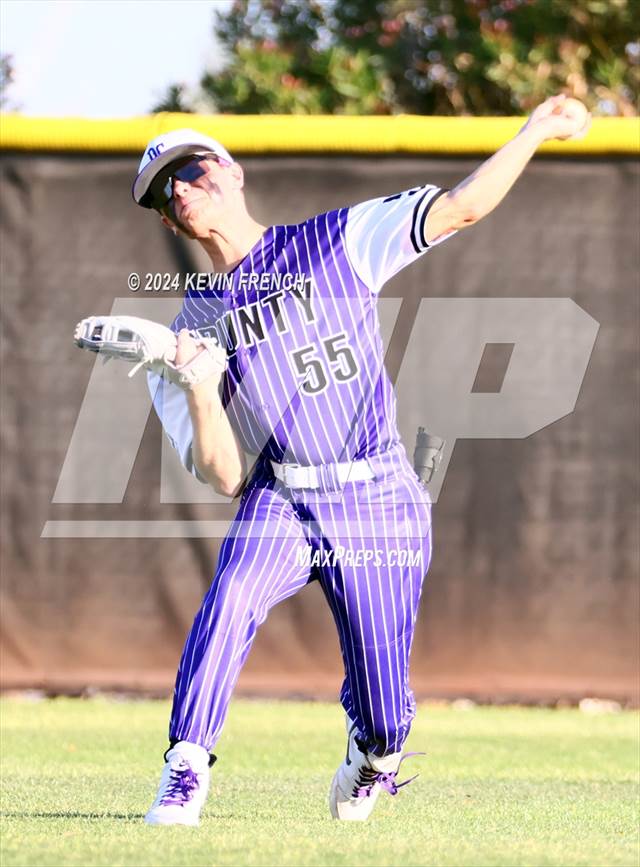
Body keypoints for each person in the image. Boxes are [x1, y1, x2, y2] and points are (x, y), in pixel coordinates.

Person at [126, 95, 590, 826]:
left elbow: (462, 208)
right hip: (279, 496)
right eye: (166, 191)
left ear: (233, 172)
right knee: (229, 602)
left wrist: (532, 131)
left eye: (191, 170)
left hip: (377, 492)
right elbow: (223, 474)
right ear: (164, 219)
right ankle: (185, 768)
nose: (182, 190)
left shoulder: (337, 240)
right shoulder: (191, 328)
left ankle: (373, 755)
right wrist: (198, 387)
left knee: (383, 712)